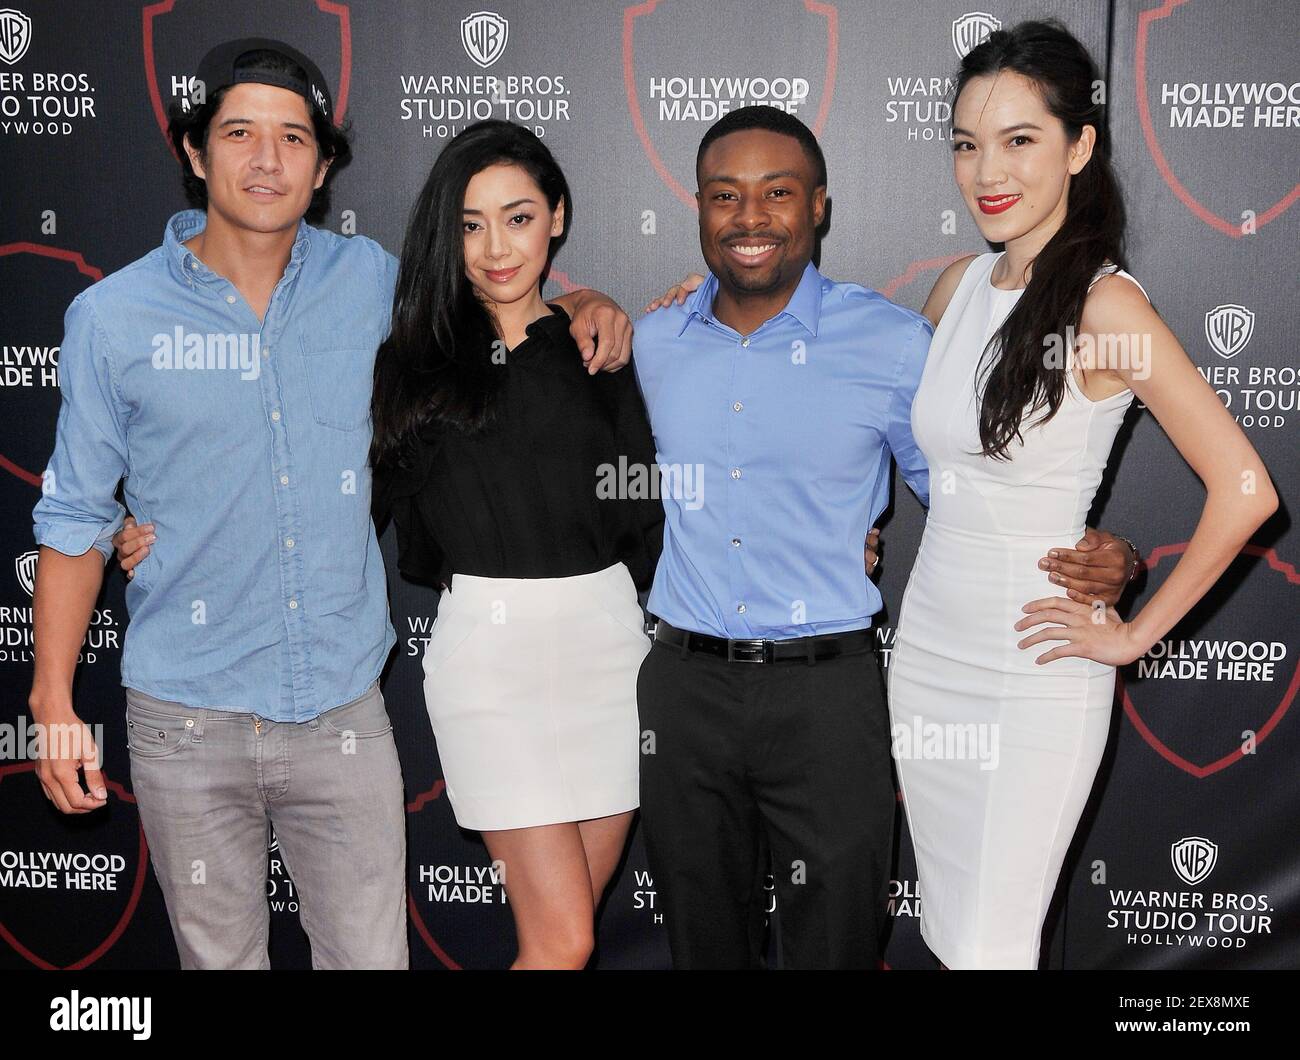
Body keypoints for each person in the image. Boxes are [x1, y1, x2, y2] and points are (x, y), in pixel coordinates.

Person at [35, 38, 631, 971]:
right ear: (196, 153)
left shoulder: (377, 286)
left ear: (321, 167)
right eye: (240, 133)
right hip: (182, 717)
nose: (266, 159)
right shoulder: (114, 318)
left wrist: (592, 297)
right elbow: (72, 516)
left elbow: (501, 300)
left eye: (292, 137)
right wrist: (52, 696)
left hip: (341, 714)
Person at [631, 105, 1136, 969]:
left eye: (777, 193)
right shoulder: (650, 339)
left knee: (838, 946)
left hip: (828, 700)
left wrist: (1102, 550)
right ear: (699, 207)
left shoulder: (898, 344)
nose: (750, 218)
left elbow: (976, 491)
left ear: (818, 206)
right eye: (725, 196)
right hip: (682, 695)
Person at [887, 20, 1277, 969]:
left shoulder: (1107, 306)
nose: (989, 169)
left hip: (1033, 669)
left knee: (992, 946)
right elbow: (870, 411)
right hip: (928, 655)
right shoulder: (956, 289)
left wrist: (1135, 634)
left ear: (1080, 146)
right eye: (967, 144)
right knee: (951, 936)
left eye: (1021, 140)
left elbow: (1244, 487)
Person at [366, 120, 664, 969]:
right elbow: (343, 504)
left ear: (558, 217)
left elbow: (652, 506)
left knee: (556, 941)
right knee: (564, 941)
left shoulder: (599, 350)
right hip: (489, 664)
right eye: (470, 224)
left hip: (609, 651)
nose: (496, 247)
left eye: (519, 217)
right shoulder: (412, 365)